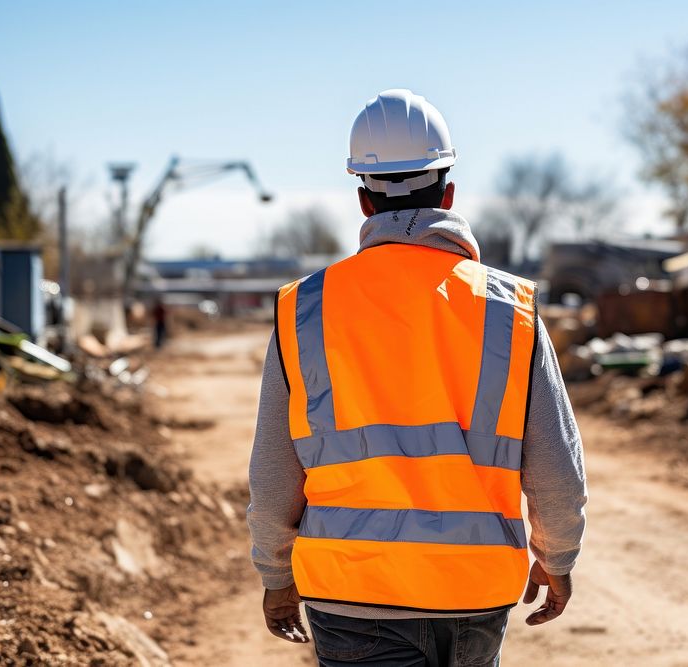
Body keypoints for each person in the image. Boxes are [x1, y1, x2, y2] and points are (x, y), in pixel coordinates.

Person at [247, 89, 587, 666]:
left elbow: (275, 467)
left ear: (363, 200)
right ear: (448, 192)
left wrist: (276, 572)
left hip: (353, 592)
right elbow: (556, 464)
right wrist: (557, 558)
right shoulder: (510, 310)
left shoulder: (304, 309)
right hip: (473, 591)